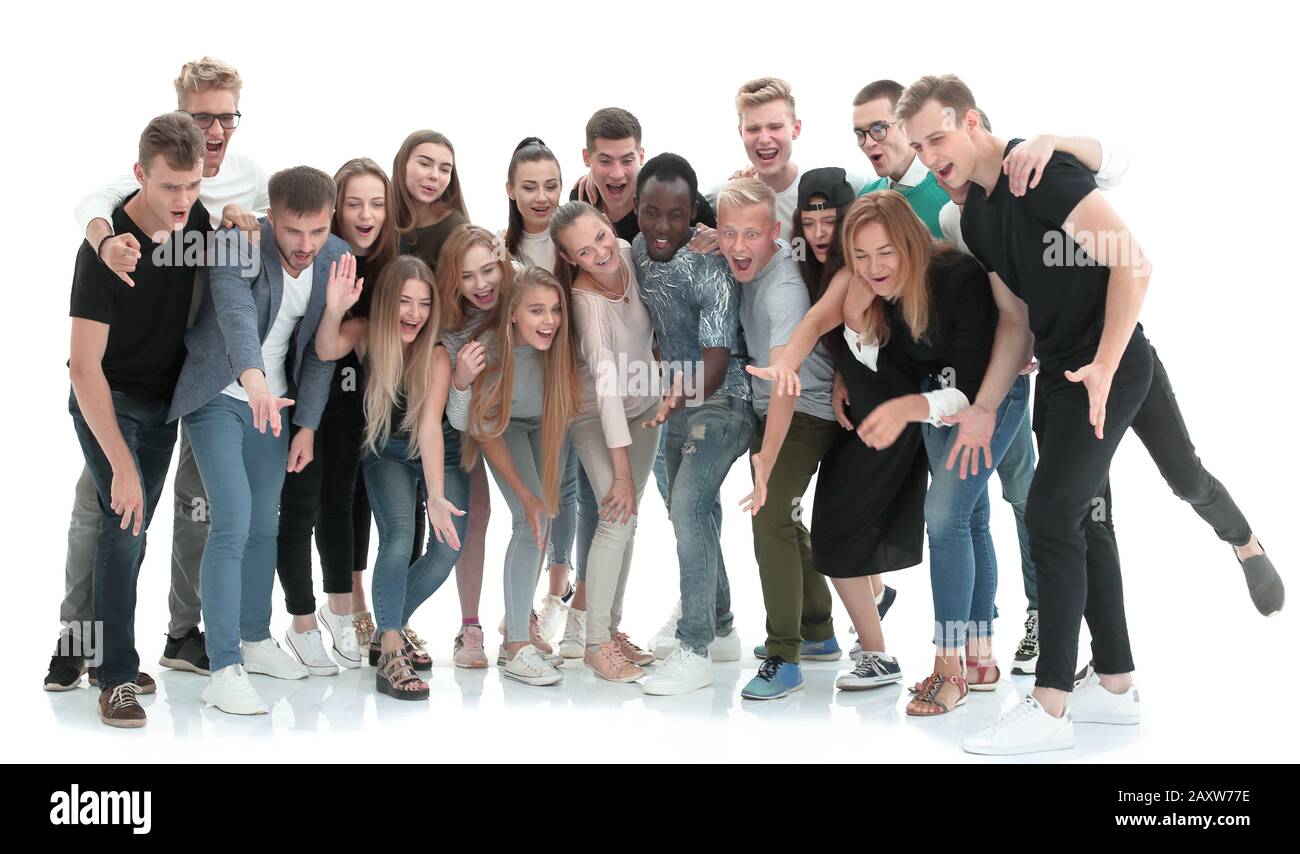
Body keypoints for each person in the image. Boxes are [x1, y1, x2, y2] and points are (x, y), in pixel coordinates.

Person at [48, 56, 267, 691]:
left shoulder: (226, 190)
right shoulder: (137, 199)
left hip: (185, 384)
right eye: (205, 118)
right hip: (113, 389)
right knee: (110, 515)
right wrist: (103, 239)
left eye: (227, 117)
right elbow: (99, 205)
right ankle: (85, 648)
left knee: (191, 510)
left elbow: (242, 268)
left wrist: (242, 224)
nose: (217, 130)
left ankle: (180, 634)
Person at [170, 166, 347, 715]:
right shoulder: (240, 241)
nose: (305, 245)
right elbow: (236, 313)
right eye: (294, 231)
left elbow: (320, 349)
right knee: (233, 519)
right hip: (220, 391)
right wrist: (254, 382)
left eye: (317, 231)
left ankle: (254, 638)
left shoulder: (336, 256)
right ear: (273, 217)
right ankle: (222, 666)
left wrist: (309, 426)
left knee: (265, 524)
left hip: (278, 405)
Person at [67, 112, 209, 725]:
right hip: (108, 399)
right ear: (139, 177)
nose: (181, 201)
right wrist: (121, 464)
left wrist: (236, 220)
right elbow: (82, 369)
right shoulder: (104, 251)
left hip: (163, 405)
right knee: (125, 524)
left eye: (192, 185)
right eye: (168, 187)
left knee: (130, 530)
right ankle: (116, 678)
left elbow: (242, 248)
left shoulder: (196, 223)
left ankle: (105, 657)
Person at [315, 255, 467, 700]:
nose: (414, 314)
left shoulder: (436, 353)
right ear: (387, 303)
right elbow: (325, 349)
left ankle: (387, 628)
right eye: (404, 301)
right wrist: (333, 309)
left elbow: (428, 429)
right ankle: (392, 648)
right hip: (385, 453)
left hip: (436, 450)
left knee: (446, 547)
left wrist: (435, 495)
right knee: (400, 536)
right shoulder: (365, 334)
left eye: (423, 304)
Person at [713, 178, 843, 700]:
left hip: (803, 411)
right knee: (787, 520)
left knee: (769, 517)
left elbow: (787, 384)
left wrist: (766, 457)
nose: (738, 247)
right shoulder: (740, 264)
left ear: (774, 234)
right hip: (771, 412)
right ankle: (818, 633)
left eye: (751, 235)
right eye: (728, 234)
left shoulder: (784, 290)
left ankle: (783, 656)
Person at [631, 154, 754, 696]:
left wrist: (673, 395)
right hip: (672, 401)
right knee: (688, 511)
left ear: (693, 214)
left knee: (688, 505)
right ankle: (722, 625)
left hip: (722, 400)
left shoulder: (709, 264)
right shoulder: (634, 251)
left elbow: (717, 361)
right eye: (651, 212)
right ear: (635, 209)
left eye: (676, 215)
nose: (662, 226)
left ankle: (695, 645)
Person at [275, 158, 398, 675]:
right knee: (300, 504)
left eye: (376, 203)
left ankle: (345, 608)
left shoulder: (389, 263)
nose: (365, 213)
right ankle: (304, 621)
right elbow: (316, 347)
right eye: (353, 203)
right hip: (299, 398)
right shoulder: (314, 249)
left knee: (346, 503)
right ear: (333, 209)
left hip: (353, 403)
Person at [451, 266, 582, 686]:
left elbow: (559, 409)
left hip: (544, 424)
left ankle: (518, 627)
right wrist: (526, 493)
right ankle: (515, 648)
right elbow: (486, 429)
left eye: (556, 310)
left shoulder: (557, 347)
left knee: (545, 517)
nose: (549, 321)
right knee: (531, 516)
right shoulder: (491, 349)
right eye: (537, 311)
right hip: (500, 428)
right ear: (512, 314)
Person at [551, 201, 661, 682]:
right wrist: (619, 473)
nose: (599, 251)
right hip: (598, 415)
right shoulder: (585, 302)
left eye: (600, 235)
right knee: (616, 517)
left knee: (630, 520)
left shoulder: (625, 251)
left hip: (645, 406)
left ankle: (611, 631)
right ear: (569, 257)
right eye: (584, 249)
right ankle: (594, 643)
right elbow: (607, 388)